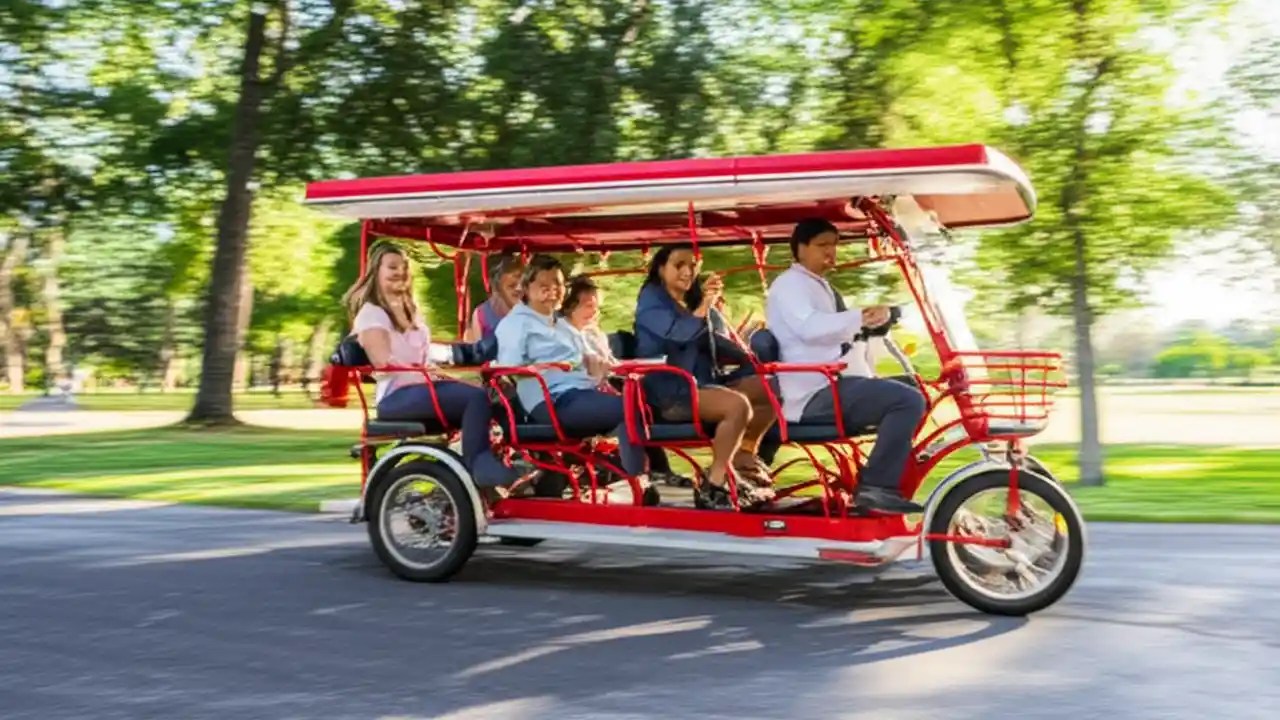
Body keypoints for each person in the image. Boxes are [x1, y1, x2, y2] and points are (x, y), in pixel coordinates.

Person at [764, 218, 927, 514]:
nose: (831, 252)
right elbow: (810, 328)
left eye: (834, 245)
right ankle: (876, 486)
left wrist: (872, 319)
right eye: (822, 245)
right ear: (800, 249)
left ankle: (895, 467)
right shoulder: (790, 286)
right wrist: (860, 318)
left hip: (829, 379)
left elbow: (835, 330)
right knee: (907, 401)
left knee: (913, 387)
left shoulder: (817, 286)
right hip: (812, 390)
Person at [344, 241, 517, 486]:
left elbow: (423, 358)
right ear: (377, 272)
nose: (399, 272)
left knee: (496, 396)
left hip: (421, 388)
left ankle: (517, 460)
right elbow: (384, 362)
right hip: (397, 396)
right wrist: (428, 373)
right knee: (476, 398)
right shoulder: (372, 314)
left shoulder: (411, 313)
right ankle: (478, 464)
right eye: (392, 267)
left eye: (404, 267)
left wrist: (440, 373)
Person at [634, 245, 777, 509]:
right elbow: (678, 334)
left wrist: (751, 357)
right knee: (737, 406)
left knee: (770, 388)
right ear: (660, 268)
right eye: (679, 265)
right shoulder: (650, 302)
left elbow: (712, 340)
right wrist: (704, 306)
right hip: (671, 394)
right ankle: (716, 482)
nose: (688, 271)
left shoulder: (687, 301)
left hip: (703, 382)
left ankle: (742, 458)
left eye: (693, 265)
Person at [494, 255, 650, 491]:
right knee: (626, 409)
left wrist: (600, 365)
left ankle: (649, 474)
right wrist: (552, 366)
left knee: (643, 401)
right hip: (552, 399)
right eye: (544, 286)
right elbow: (508, 367)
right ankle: (638, 483)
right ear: (527, 289)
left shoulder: (560, 324)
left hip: (580, 391)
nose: (552, 291)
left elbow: (585, 359)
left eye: (557, 285)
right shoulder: (516, 324)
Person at [560, 274, 694, 488]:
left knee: (641, 401)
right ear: (569, 307)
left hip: (605, 386)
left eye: (596, 306)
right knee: (631, 410)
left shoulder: (593, 333)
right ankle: (639, 474)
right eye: (587, 306)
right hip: (580, 394)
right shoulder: (563, 334)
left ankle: (656, 470)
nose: (594, 312)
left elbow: (610, 363)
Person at [463, 252, 524, 343]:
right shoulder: (481, 313)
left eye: (522, 284)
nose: (519, 289)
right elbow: (479, 350)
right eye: (511, 286)